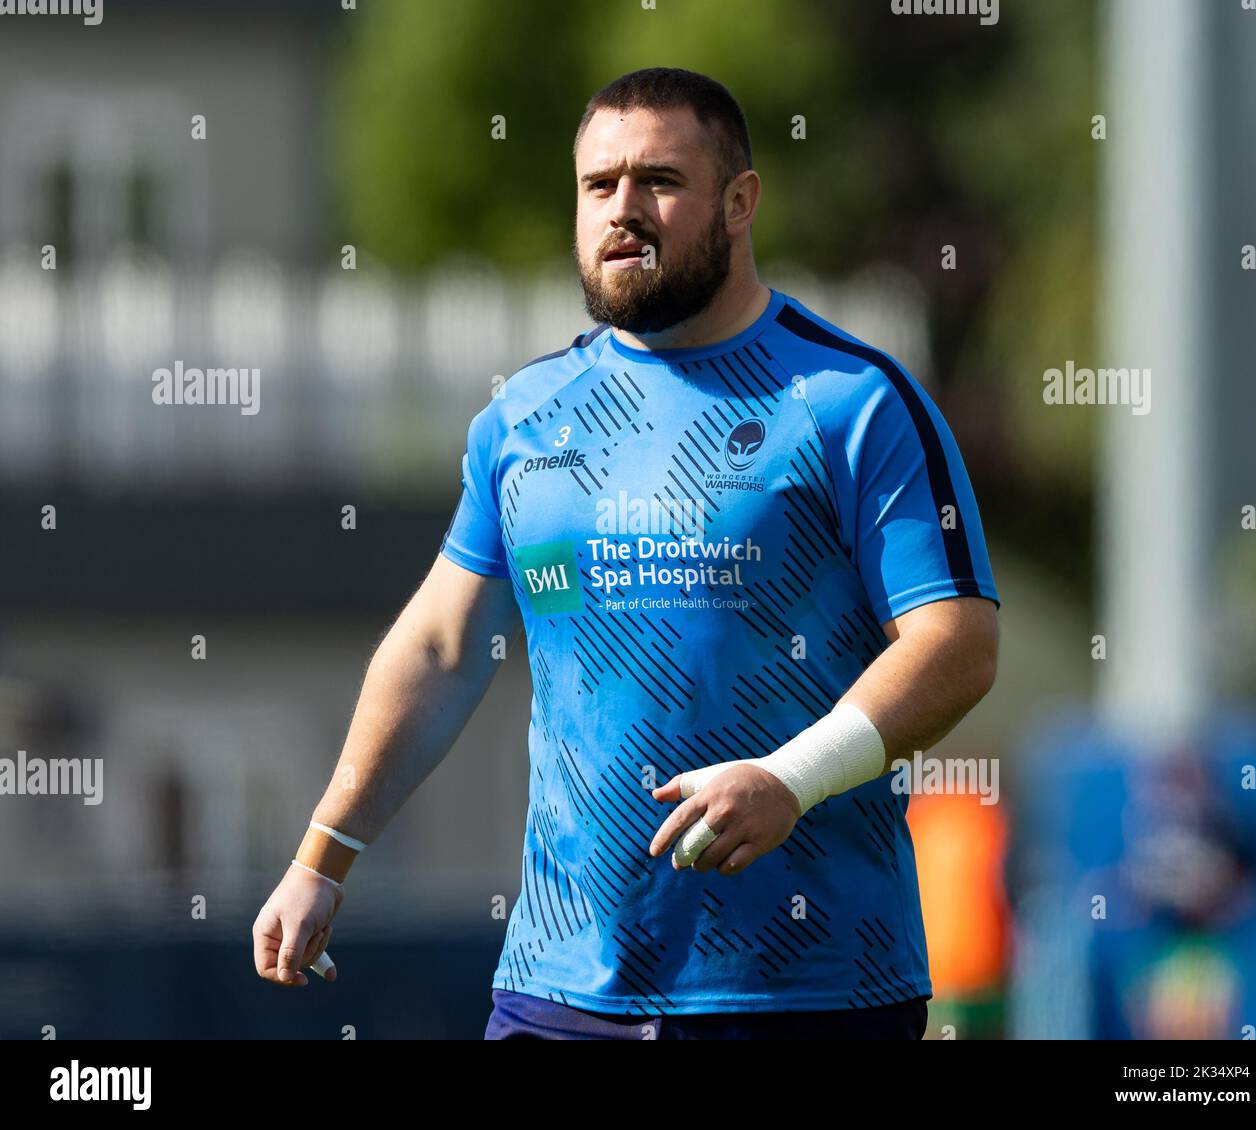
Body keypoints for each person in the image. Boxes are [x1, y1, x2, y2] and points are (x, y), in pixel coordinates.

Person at [252, 66, 1000, 1041]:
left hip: (809, 992)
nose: (622, 210)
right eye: (598, 185)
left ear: (739, 202)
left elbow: (956, 642)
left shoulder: (851, 401)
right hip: (561, 989)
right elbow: (439, 647)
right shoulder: (525, 415)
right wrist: (322, 855)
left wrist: (791, 776)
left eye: (658, 181)